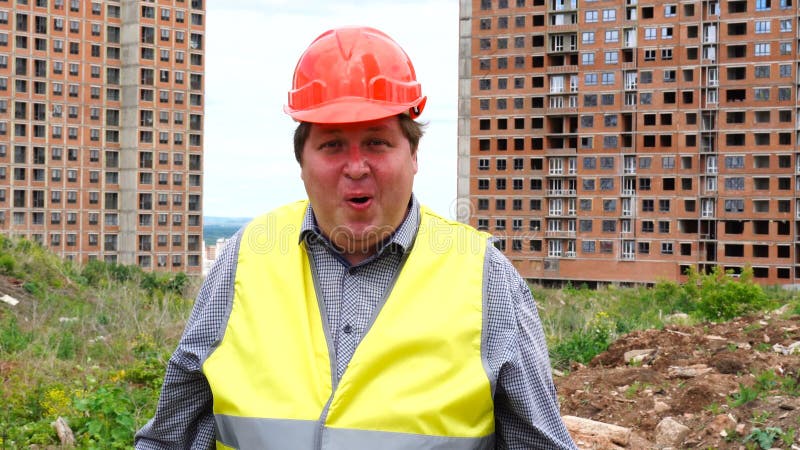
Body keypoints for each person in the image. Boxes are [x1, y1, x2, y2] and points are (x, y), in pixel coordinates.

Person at [135, 26, 577, 449]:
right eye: (332, 145)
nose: (356, 167)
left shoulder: (484, 279)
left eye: (377, 142)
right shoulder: (244, 260)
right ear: (302, 162)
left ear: (413, 154)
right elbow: (171, 438)